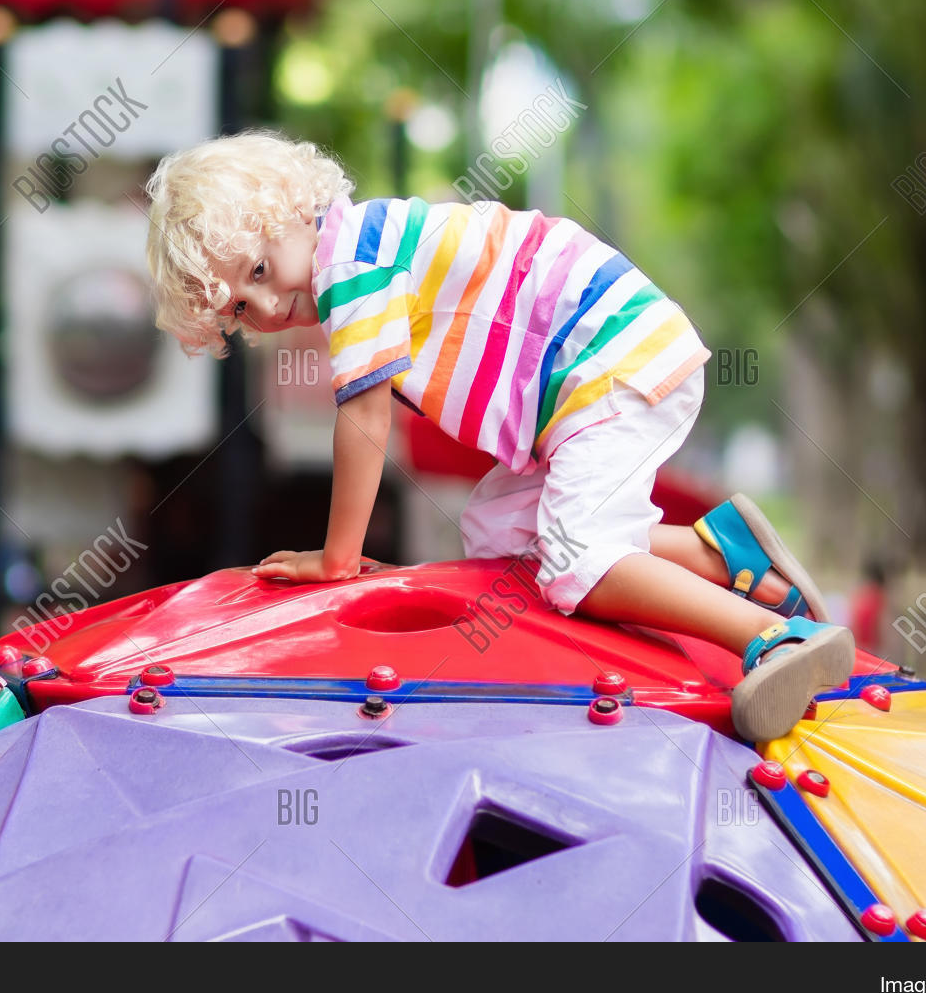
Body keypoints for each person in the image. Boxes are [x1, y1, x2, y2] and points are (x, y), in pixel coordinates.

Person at [143, 130, 853, 742]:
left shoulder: (350, 267)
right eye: (240, 307)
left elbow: (362, 420)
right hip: (583, 379)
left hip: (609, 360)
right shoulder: (366, 252)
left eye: (261, 270)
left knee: (576, 560)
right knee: (501, 540)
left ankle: (773, 639)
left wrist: (337, 561)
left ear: (291, 212)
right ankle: (722, 554)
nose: (267, 305)